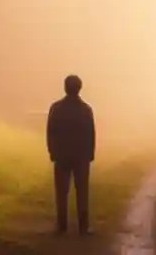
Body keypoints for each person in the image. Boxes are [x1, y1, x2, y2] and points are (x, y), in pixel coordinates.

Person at [46, 74, 96, 235]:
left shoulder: (56, 108)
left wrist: (52, 151)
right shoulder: (86, 109)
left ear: (65, 87)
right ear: (79, 88)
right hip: (81, 156)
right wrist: (90, 154)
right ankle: (83, 226)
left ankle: (62, 225)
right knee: (82, 192)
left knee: (61, 192)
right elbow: (91, 134)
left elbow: (50, 132)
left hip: (62, 155)